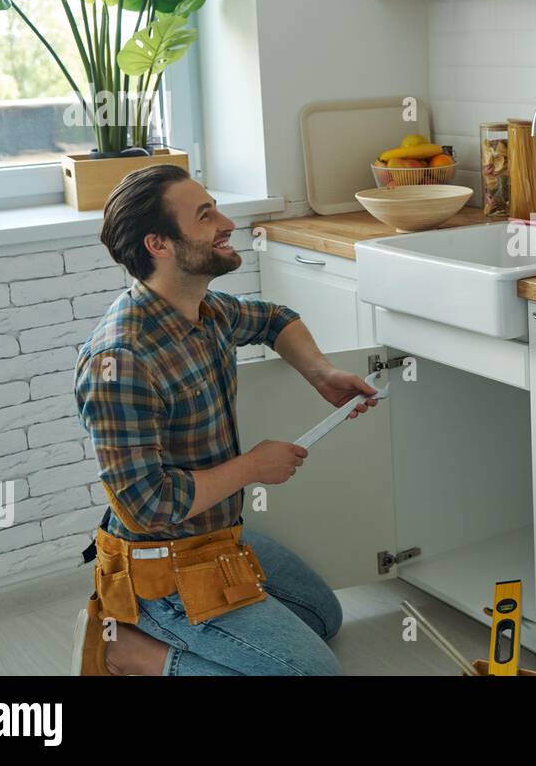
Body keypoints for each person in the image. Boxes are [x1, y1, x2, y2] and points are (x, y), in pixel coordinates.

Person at [71, 164, 379, 675]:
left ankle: (221, 627)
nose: (227, 222)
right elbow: (145, 506)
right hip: (161, 568)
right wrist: (253, 467)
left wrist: (321, 373)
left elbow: (275, 318)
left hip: (218, 538)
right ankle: (130, 649)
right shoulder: (122, 359)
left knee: (323, 617)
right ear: (159, 244)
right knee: (315, 673)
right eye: (205, 214)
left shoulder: (204, 310)